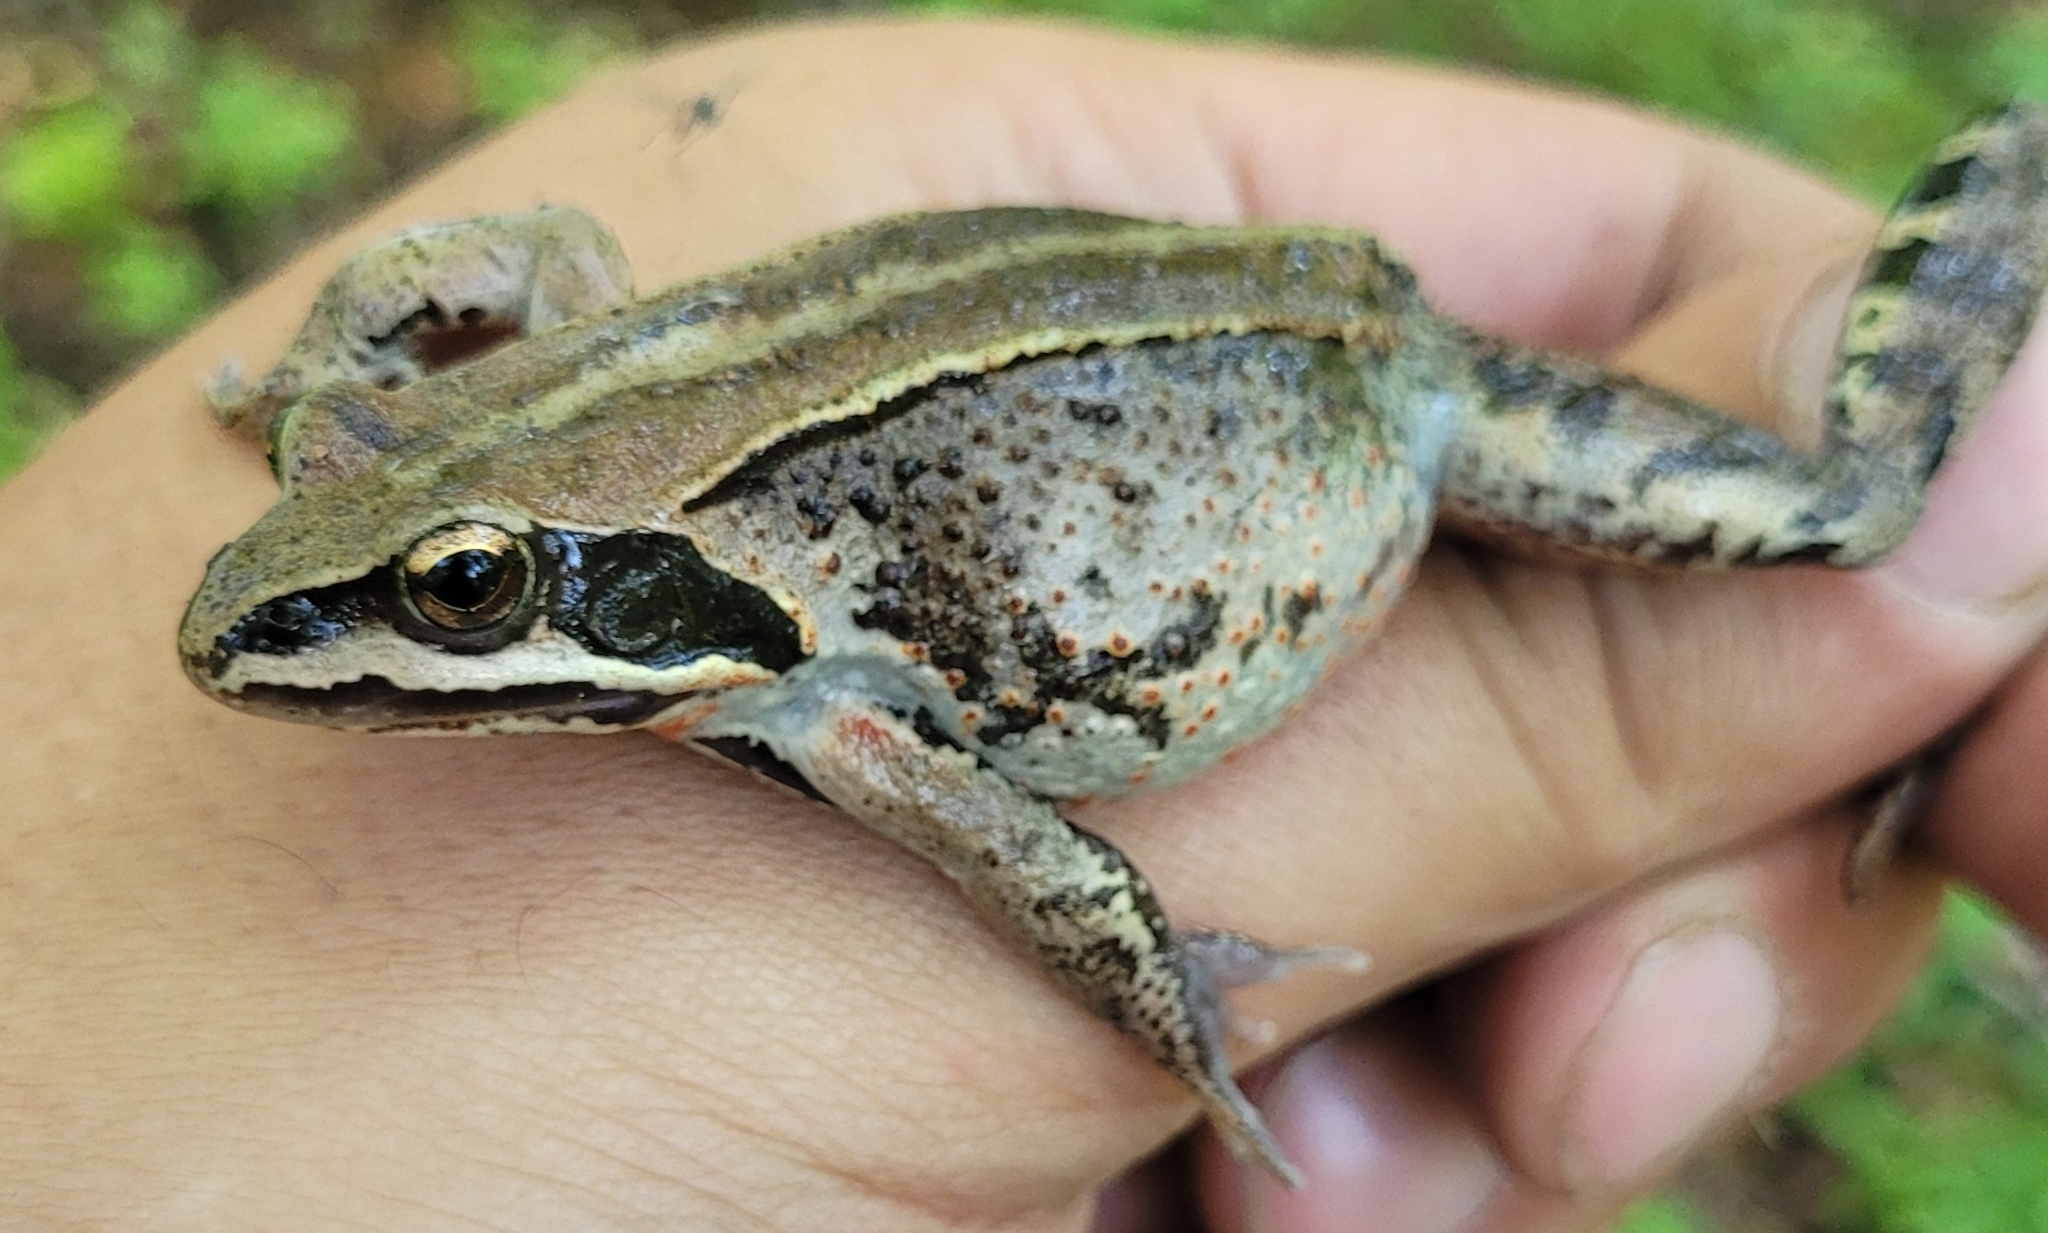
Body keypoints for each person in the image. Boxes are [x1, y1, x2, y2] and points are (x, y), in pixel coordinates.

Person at [4, 20, 2045, 1232]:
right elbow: (513, 250)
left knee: (1846, 513)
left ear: (602, 588)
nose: (403, 627)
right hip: (1126, 311)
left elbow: (1068, 875)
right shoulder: (600, 395)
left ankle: (2023, 162)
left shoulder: (831, 711)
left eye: (463, 594)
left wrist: (1179, 1008)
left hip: (1348, 382)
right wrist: (320, 388)